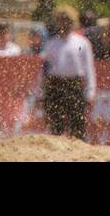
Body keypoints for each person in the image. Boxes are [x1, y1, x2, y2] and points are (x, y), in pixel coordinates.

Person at [38, 9, 96, 139]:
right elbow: (44, 69)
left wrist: (90, 91)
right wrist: (41, 90)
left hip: (74, 86)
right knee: (55, 123)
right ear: (58, 22)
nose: (64, 23)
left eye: (68, 20)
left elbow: (89, 69)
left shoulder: (82, 42)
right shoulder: (51, 43)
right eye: (62, 20)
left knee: (77, 124)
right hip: (55, 85)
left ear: (73, 22)